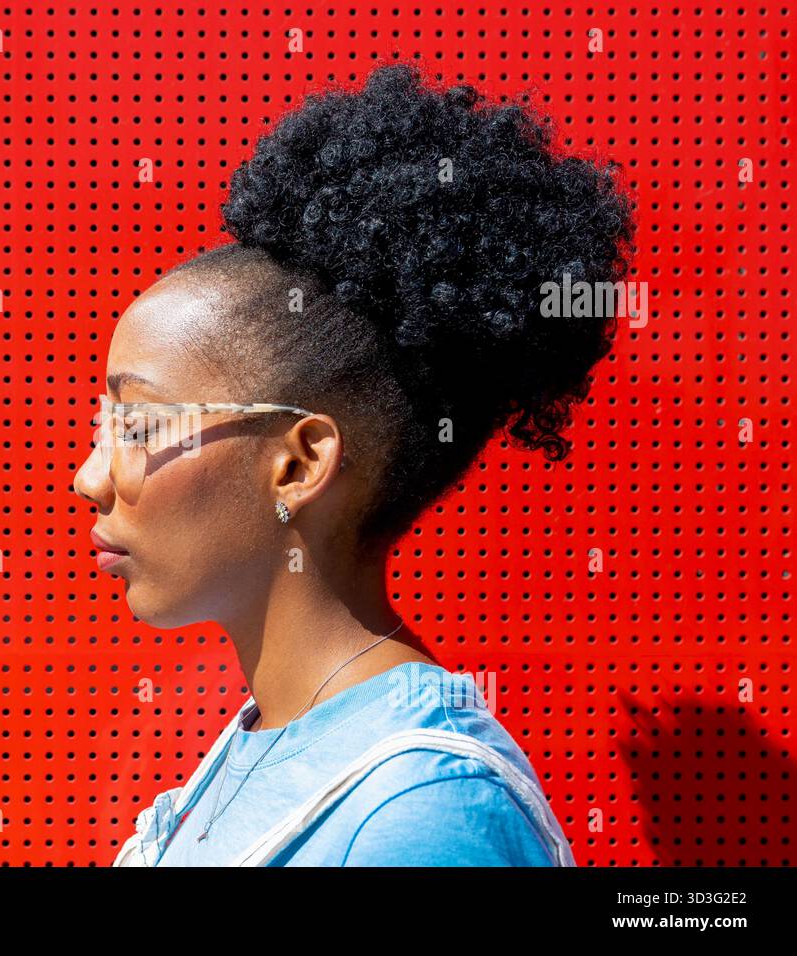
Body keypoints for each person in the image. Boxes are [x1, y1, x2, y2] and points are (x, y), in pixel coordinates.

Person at [72, 60, 636, 866]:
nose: (89, 478)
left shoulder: (417, 819)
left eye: (139, 425)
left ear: (298, 466)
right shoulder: (269, 747)